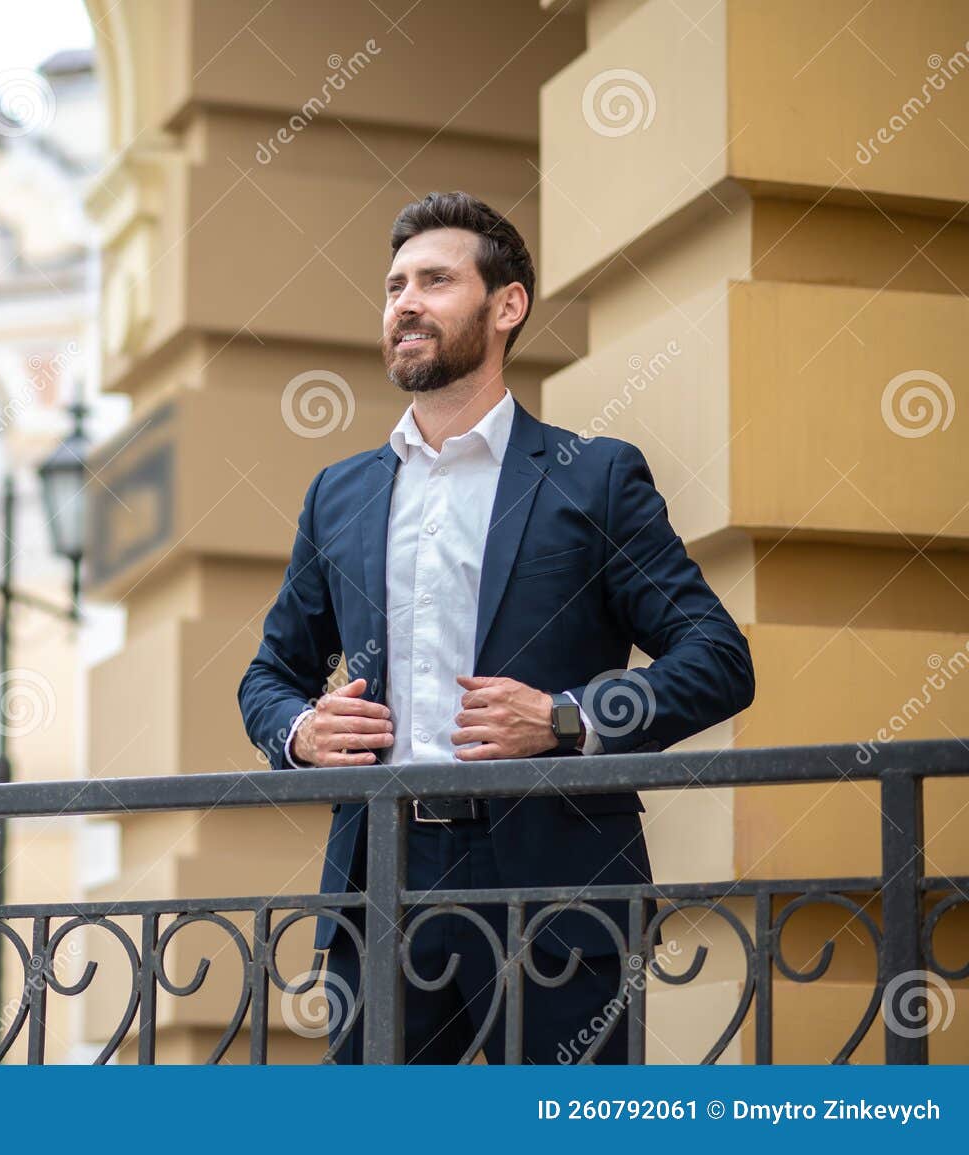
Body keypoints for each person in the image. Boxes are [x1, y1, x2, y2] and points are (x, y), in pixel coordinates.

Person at [236, 191, 755, 1064]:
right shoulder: (339, 493)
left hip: (559, 888)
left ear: (506, 305)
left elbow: (718, 658)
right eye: (395, 285)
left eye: (435, 280)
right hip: (383, 878)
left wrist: (566, 718)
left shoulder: (593, 479)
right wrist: (300, 732)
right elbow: (269, 676)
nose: (405, 302)